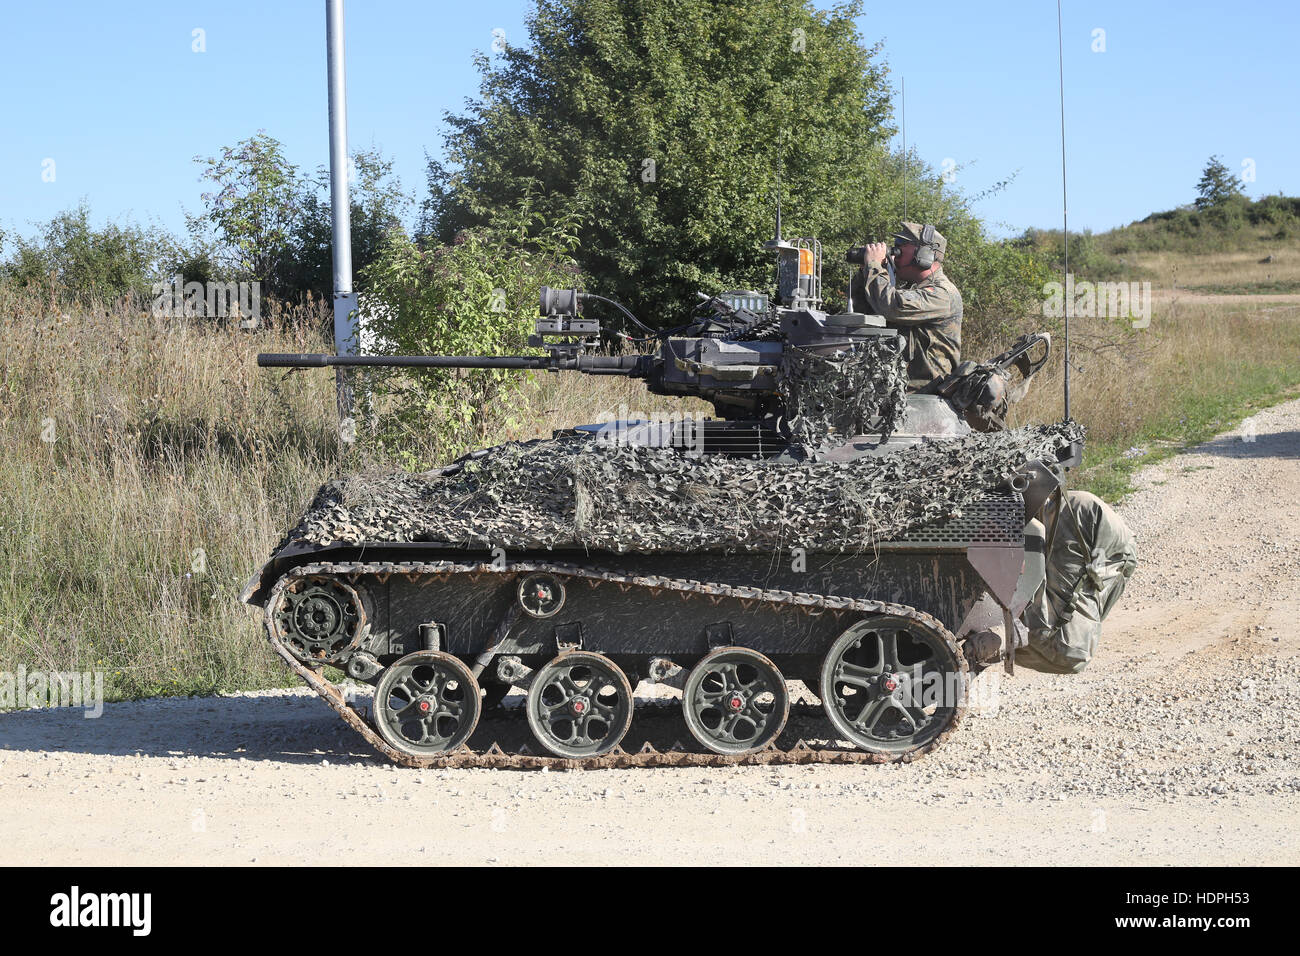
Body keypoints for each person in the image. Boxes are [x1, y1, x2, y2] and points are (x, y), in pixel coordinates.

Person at [852, 222, 962, 391]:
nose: (894, 254)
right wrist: (865, 272)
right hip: (900, 391)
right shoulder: (911, 290)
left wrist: (874, 267)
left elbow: (892, 307)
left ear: (925, 254)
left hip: (926, 395)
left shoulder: (942, 294)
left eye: (900, 247)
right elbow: (864, 312)